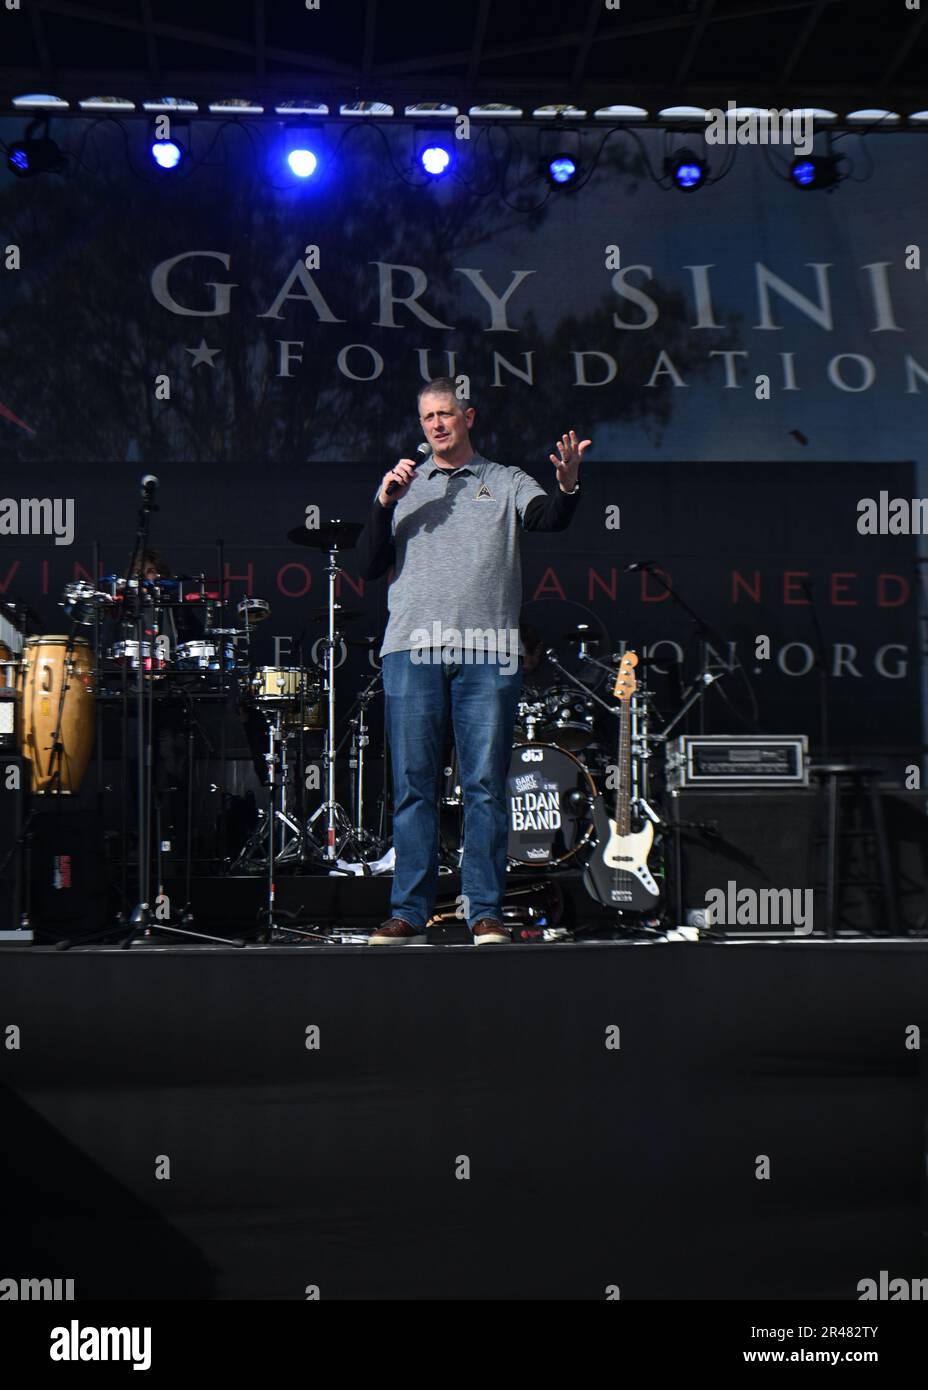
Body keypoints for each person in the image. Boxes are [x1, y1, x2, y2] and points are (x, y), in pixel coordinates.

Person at [356, 377, 590, 944]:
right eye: (427, 417)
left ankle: (483, 910)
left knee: (484, 784)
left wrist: (567, 483)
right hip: (412, 649)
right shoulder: (405, 486)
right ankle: (408, 913)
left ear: (468, 418)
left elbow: (549, 517)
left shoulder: (503, 480)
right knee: (415, 784)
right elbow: (365, 565)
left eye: (446, 414)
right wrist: (384, 499)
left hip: (488, 654)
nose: (436, 424)